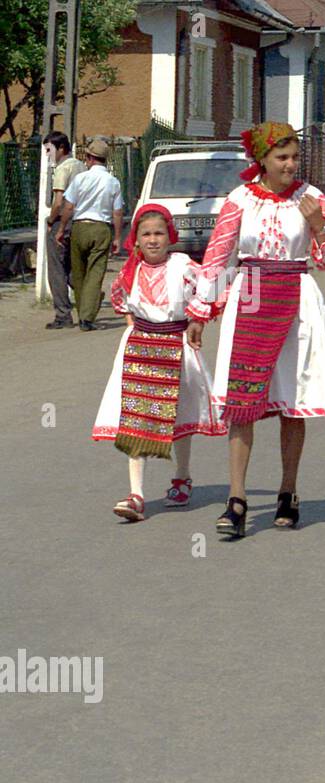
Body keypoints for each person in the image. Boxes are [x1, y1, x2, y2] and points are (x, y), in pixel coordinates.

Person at [186, 122, 325, 538]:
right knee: (243, 402)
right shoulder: (240, 200)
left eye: (295, 157)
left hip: (297, 298)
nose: (290, 165)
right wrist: (200, 311)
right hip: (252, 297)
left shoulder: (312, 199)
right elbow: (218, 257)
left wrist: (318, 226)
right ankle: (238, 498)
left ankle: (288, 491)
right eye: (282, 158)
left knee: (291, 402)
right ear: (262, 160)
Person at [93, 204, 226, 521]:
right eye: (146, 234)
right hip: (139, 349)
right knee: (135, 418)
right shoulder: (131, 270)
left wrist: (197, 321)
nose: (152, 240)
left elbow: (214, 289)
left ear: (170, 237)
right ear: (135, 239)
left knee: (177, 416)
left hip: (176, 347)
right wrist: (135, 327)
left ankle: (181, 477)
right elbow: (121, 302)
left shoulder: (184, 267)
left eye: (158, 233)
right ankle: (136, 495)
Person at [54, 138, 123, 331]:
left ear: (90, 158)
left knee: (79, 273)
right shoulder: (113, 182)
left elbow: (68, 206)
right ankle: (87, 316)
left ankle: (83, 311)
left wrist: (61, 229)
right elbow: (117, 212)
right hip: (101, 228)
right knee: (95, 272)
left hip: (79, 227)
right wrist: (117, 237)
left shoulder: (80, 179)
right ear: (105, 160)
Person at [42, 131, 84, 329]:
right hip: (79, 220)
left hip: (62, 221)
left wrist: (51, 220)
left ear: (61, 148)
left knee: (56, 269)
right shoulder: (80, 166)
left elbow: (58, 202)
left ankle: (62, 315)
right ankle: (87, 295)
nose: (47, 154)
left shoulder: (62, 169)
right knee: (70, 265)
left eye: (49, 149)